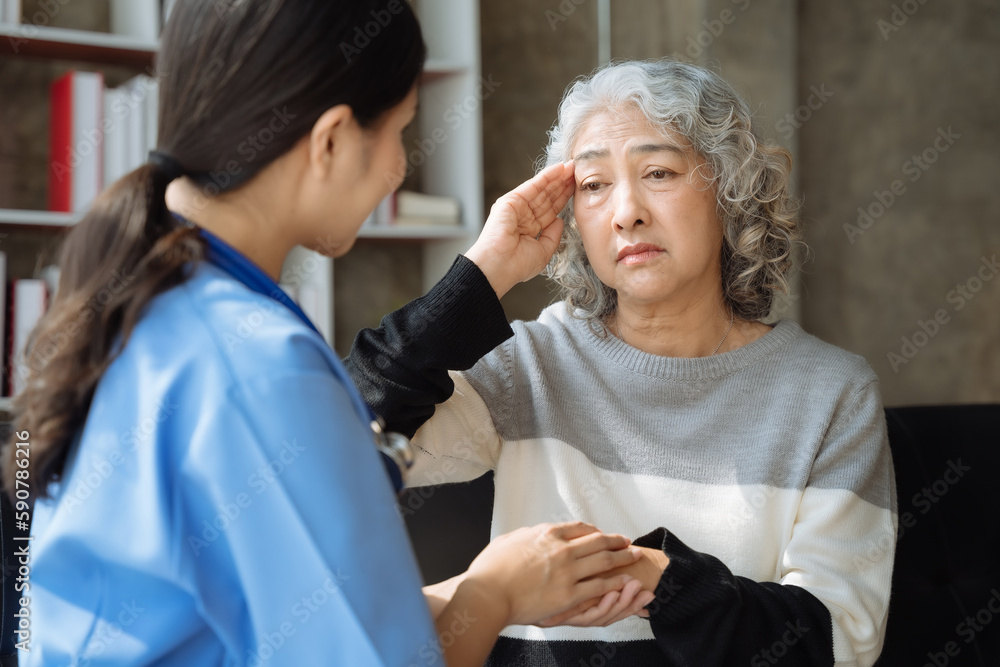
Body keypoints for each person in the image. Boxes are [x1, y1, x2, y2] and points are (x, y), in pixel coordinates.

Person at [2, 2, 654, 665]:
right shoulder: (262, 369)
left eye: (659, 172)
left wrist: (486, 588)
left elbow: (253, 608)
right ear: (333, 139)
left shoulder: (139, 308)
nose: (400, 167)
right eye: (401, 132)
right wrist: (492, 591)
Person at [347, 59, 897, 666]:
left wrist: (661, 581)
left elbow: (841, 642)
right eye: (592, 185)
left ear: (730, 187)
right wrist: (482, 274)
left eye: (658, 171)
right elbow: (341, 449)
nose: (625, 211)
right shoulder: (528, 364)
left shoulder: (832, 393)